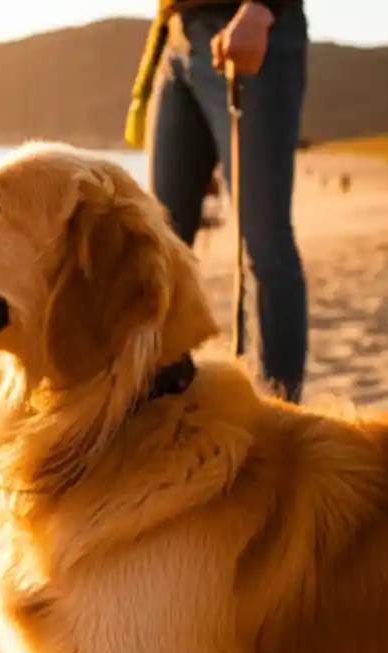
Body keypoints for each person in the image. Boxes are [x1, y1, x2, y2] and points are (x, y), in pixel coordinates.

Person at [126, 0, 309, 403]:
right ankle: (160, 397)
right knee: (159, 242)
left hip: (249, 25)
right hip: (176, 37)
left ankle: (278, 413)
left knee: (264, 241)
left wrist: (262, 9)